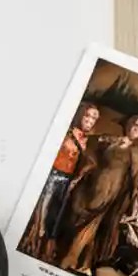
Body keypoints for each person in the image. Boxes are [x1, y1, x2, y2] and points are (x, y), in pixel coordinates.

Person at [57, 114, 138, 275]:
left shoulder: (136, 155)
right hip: (90, 189)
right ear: (127, 123)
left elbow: (134, 183)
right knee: (74, 218)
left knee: (91, 226)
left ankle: (71, 258)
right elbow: (91, 155)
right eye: (135, 124)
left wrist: (127, 205)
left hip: (110, 195)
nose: (136, 128)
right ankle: (80, 261)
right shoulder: (109, 140)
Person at [18, 102, 99, 262]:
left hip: (67, 181)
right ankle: (34, 244)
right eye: (87, 116)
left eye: (94, 118)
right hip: (53, 176)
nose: (90, 120)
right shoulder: (66, 133)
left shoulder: (87, 141)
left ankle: (44, 247)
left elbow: (89, 162)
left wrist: (79, 176)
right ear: (80, 115)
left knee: (55, 215)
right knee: (43, 211)